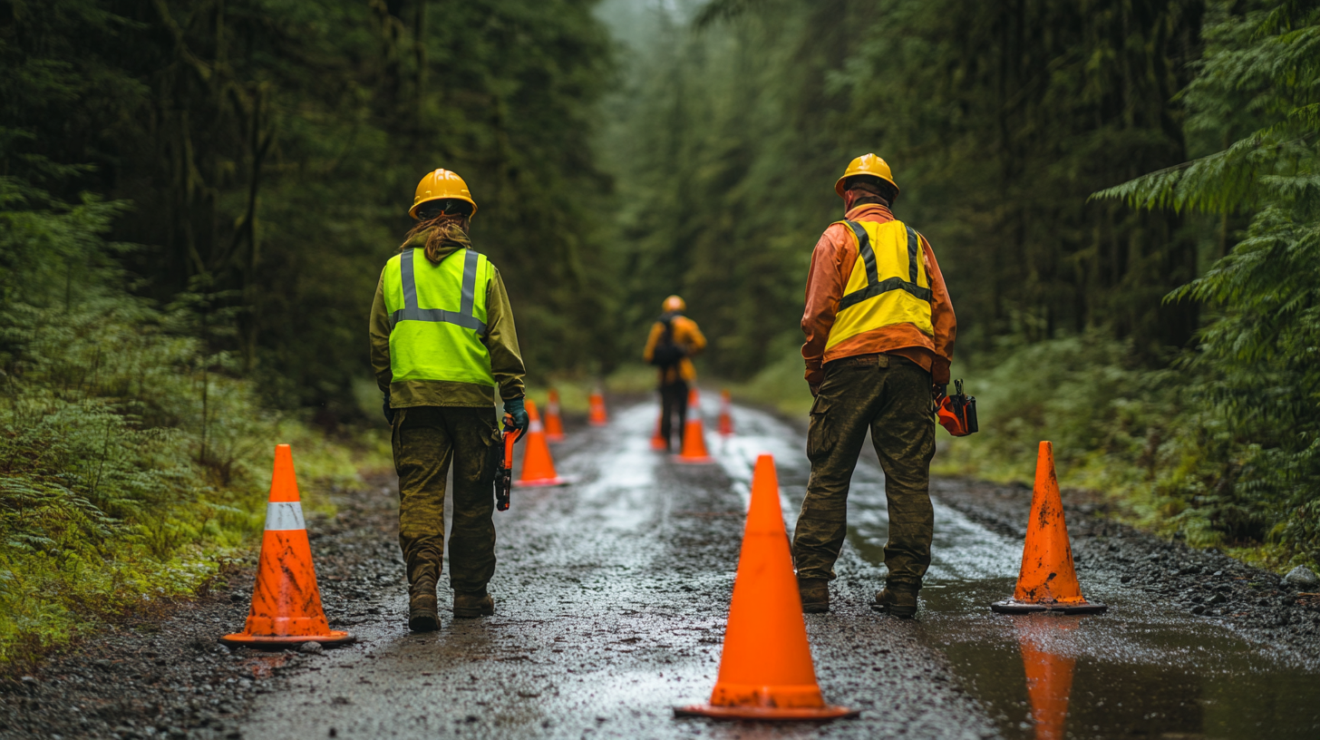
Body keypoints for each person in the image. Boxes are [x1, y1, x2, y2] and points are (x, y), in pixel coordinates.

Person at [793, 154, 956, 618]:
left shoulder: (837, 236)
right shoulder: (916, 242)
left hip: (849, 368)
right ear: (889, 197)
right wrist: (937, 375)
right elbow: (944, 317)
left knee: (829, 474)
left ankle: (813, 585)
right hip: (911, 369)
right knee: (908, 480)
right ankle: (903, 589)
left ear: (849, 194)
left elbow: (817, 315)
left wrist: (815, 369)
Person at [369, 168, 529, 632]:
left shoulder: (394, 270)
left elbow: (379, 340)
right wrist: (513, 398)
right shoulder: (482, 269)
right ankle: (469, 596)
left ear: (419, 216)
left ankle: (423, 591)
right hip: (472, 403)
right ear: (464, 217)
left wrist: (390, 388)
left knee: (420, 496)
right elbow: (502, 342)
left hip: (414, 401)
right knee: (473, 501)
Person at [642, 295, 707, 451]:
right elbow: (701, 344)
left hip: (665, 376)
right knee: (683, 410)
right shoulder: (687, 325)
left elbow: (648, 355)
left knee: (666, 409)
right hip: (683, 375)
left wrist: (663, 356)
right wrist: (686, 352)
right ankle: (683, 443)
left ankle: (666, 443)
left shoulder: (658, 327)